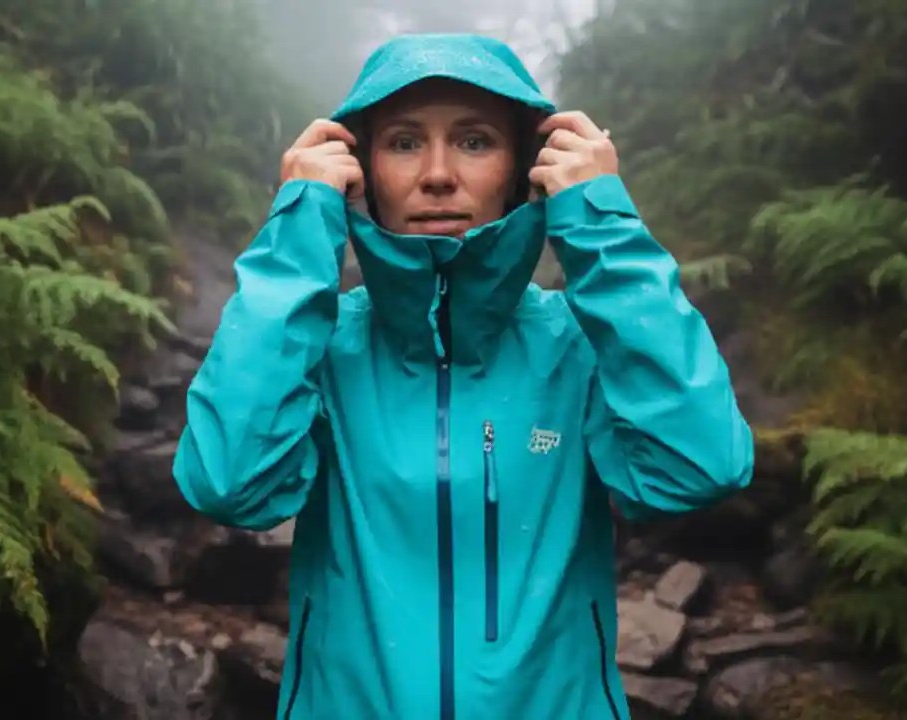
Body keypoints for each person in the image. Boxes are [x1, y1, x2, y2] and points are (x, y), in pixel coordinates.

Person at [172, 33, 753, 720]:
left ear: (521, 170)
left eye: (475, 141)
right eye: (404, 143)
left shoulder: (580, 345)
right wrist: (300, 228)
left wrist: (601, 222)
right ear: (362, 170)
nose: (439, 174)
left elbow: (700, 466)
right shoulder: (320, 346)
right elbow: (229, 483)